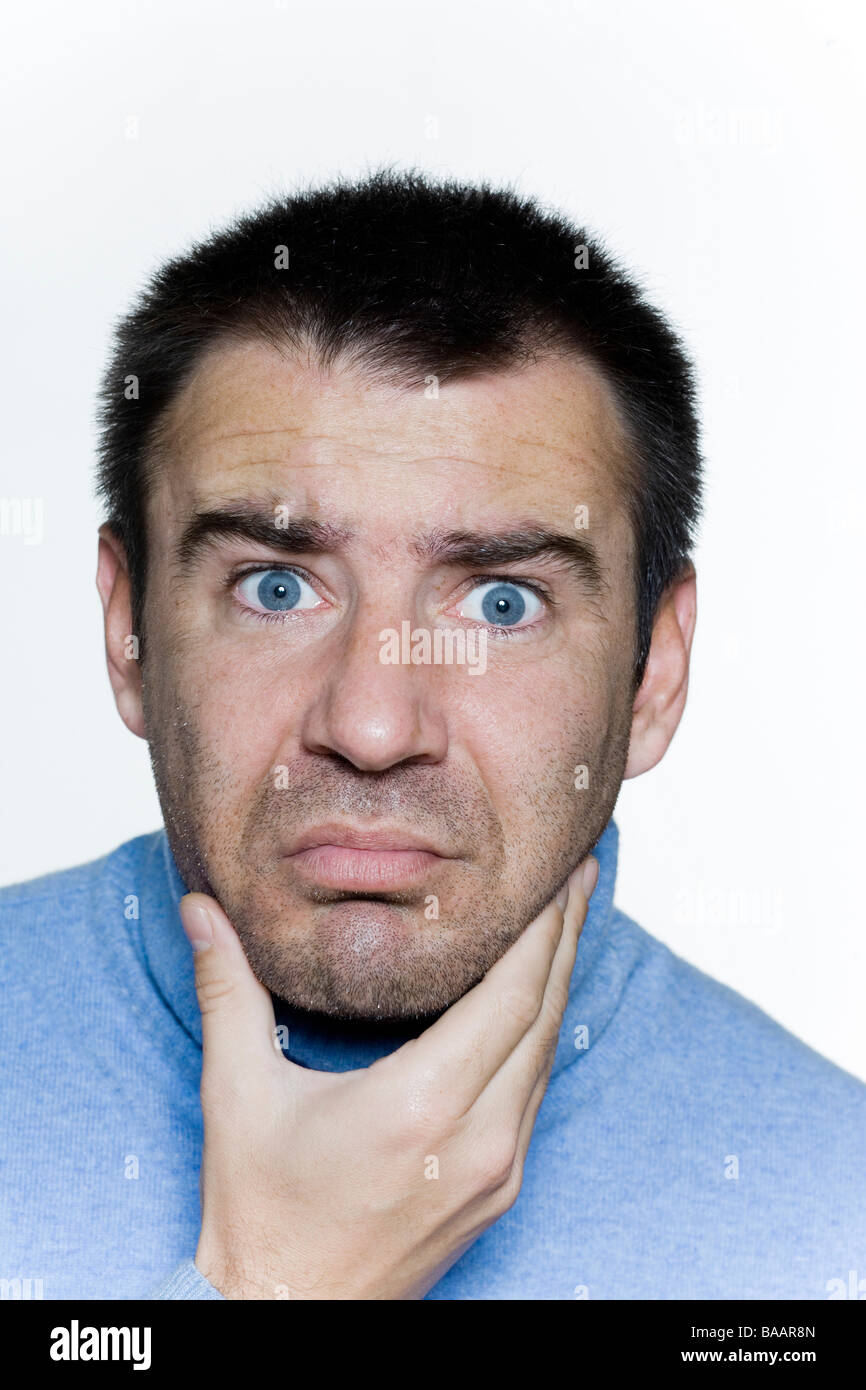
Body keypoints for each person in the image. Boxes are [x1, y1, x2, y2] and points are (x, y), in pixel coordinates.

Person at [1, 170, 862, 1300]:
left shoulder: (833, 1222)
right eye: (274, 587)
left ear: (654, 672)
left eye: (500, 602)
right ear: (127, 632)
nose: (368, 724)